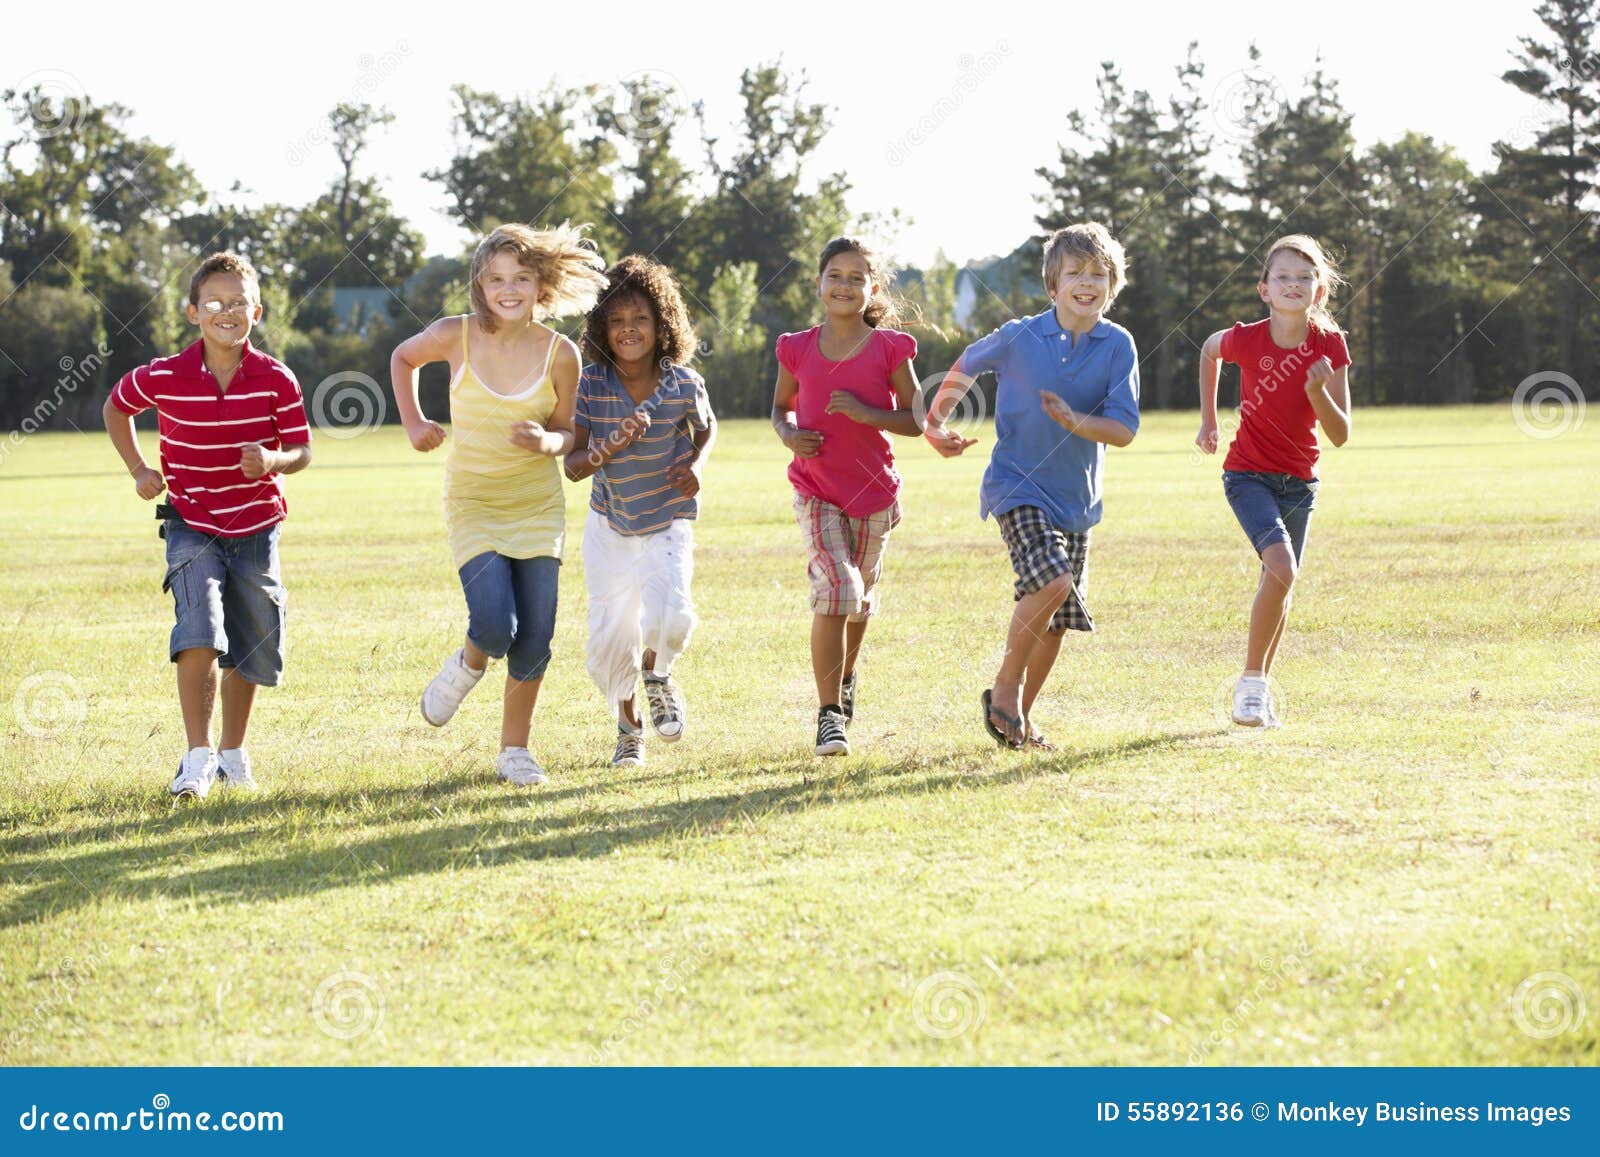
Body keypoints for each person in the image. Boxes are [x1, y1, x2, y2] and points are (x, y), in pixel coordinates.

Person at [390, 223, 605, 785]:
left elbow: (570, 437)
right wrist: (413, 422)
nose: (509, 290)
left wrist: (547, 443)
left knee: (535, 635)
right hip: (474, 502)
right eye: (496, 280)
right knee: (493, 624)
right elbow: (402, 358)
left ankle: (515, 751)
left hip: (536, 508)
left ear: (542, 284)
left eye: (522, 278)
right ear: (479, 287)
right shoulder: (453, 335)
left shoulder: (560, 355)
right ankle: (468, 663)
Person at [102, 252, 313, 798]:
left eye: (238, 302)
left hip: (257, 527)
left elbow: (301, 450)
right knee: (200, 627)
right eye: (214, 302)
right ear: (193, 312)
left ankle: (232, 755)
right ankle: (196, 758)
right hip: (191, 524)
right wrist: (139, 468)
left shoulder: (276, 378)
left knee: (252, 641)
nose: (227, 311)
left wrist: (271, 461)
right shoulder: (166, 374)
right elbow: (116, 407)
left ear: (257, 312)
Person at [925, 223, 1139, 749]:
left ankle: (1016, 719)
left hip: (1077, 502)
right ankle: (1005, 689)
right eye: (1075, 273)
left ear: (1113, 286)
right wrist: (935, 423)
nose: (1087, 282)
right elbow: (965, 365)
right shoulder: (1021, 335)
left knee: (1057, 620)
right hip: (1016, 486)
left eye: (1099, 274)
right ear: (1053, 284)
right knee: (1054, 584)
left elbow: (1124, 429)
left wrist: (1075, 422)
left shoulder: (1118, 346)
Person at [771, 237, 923, 757]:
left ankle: (847, 676)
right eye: (835, 275)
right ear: (819, 284)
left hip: (874, 495)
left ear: (872, 288)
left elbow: (917, 419)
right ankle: (828, 715)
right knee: (839, 584)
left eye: (856, 277)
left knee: (856, 601)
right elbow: (780, 409)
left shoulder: (890, 348)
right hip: (816, 490)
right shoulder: (796, 347)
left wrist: (868, 414)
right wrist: (790, 435)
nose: (844, 285)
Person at [565, 255, 715, 768]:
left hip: (669, 517)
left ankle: (657, 674)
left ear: (663, 323)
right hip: (610, 524)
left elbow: (706, 428)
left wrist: (696, 461)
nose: (629, 330)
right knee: (614, 635)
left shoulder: (683, 382)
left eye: (641, 319)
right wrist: (610, 445)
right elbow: (575, 466)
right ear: (602, 328)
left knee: (671, 617)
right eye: (617, 320)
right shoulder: (591, 384)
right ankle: (629, 731)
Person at [1195, 234, 1352, 727]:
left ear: (1319, 291)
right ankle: (1250, 682)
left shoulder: (1330, 345)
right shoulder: (1247, 337)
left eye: (1304, 277)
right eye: (1282, 277)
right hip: (1247, 475)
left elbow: (1341, 433)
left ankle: (1256, 692)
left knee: (1279, 581)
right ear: (1264, 289)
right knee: (1282, 567)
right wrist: (1209, 421)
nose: (1293, 284)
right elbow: (1208, 349)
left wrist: (1317, 391)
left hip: (1300, 482)